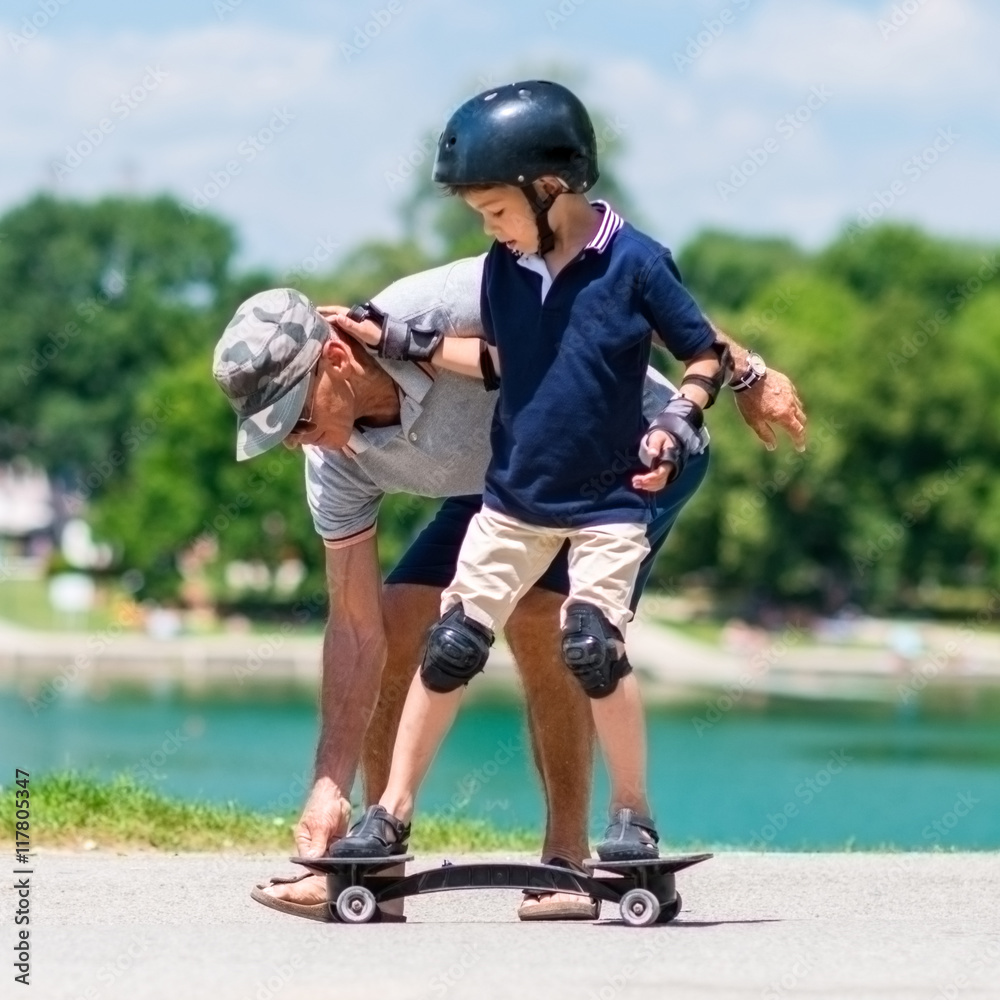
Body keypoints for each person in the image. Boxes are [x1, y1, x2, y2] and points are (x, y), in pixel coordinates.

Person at [213, 259, 806, 921]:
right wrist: (328, 786)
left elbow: (625, 293)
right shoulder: (333, 461)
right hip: (508, 482)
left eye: (295, 419)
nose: (294, 444)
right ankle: (374, 859)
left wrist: (747, 373)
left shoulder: (440, 307)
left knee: (539, 614)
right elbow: (354, 629)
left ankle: (566, 859)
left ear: (336, 360)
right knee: (398, 616)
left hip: (630, 445)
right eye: (277, 433)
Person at [324, 80, 731, 866]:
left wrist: (680, 419)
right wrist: (403, 341)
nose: (489, 228)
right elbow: (499, 362)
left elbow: (703, 351)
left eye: (495, 211)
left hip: (609, 503)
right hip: (511, 503)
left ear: (550, 187)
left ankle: (632, 815)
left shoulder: (637, 263)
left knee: (592, 645)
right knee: (451, 643)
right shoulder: (506, 268)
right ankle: (390, 814)